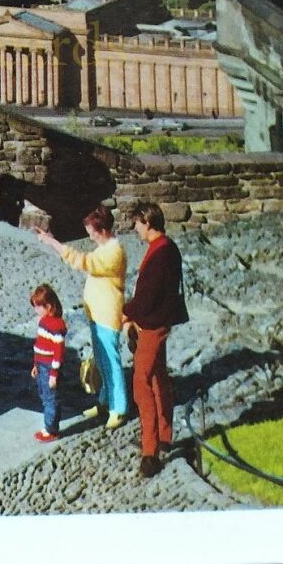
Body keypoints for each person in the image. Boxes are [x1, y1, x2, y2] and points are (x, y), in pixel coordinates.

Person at [34, 204, 130, 430]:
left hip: (107, 315)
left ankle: (120, 408)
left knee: (111, 363)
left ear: (103, 230)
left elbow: (83, 262)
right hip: (98, 315)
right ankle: (106, 401)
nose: (90, 237)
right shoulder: (104, 248)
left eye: (92, 233)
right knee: (102, 362)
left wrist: (53, 243)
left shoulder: (114, 253)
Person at [121, 201, 189, 478]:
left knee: (141, 384)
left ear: (147, 222)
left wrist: (125, 313)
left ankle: (150, 453)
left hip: (151, 326)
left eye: (137, 223)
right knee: (159, 377)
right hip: (161, 322)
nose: (135, 228)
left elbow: (147, 298)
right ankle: (164, 434)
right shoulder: (168, 247)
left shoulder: (160, 253)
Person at [29, 283, 67, 443]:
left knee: (51, 399)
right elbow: (39, 346)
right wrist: (35, 365)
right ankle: (48, 426)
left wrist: (53, 374)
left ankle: (51, 429)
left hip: (50, 367)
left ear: (49, 306)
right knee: (45, 396)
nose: (35, 310)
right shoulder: (43, 322)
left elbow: (58, 353)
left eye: (38, 307)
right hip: (41, 366)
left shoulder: (57, 326)